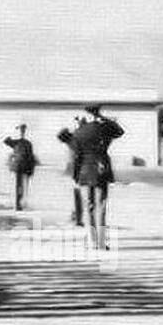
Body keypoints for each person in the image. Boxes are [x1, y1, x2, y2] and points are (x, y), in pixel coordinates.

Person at [70, 105, 123, 251]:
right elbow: (120, 131)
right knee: (101, 207)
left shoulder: (79, 132)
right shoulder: (105, 128)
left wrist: (75, 175)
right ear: (97, 113)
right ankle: (101, 241)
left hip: (84, 171)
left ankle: (92, 241)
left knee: (88, 207)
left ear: (86, 115)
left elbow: (76, 156)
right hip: (101, 170)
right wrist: (105, 118)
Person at [57, 116, 85, 224]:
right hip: (78, 170)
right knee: (80, 195)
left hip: (74, 170)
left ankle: (76, 216)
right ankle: (77, 217)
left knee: (77, 195)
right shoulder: (76, 139)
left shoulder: (71, 141)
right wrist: (78, 125)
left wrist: (77, 125)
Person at [3, 124, 36, 210]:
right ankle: (17, 204)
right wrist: (14, 131)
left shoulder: (28, 143)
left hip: (23, 167)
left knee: (22, 187)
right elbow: (6, 140)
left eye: (23, 131)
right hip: (17, 167)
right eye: (21, 131)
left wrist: (31, 169)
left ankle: (20, 203)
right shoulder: (16, 142)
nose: (22, 132)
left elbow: (31, 157)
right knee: (18, 186)